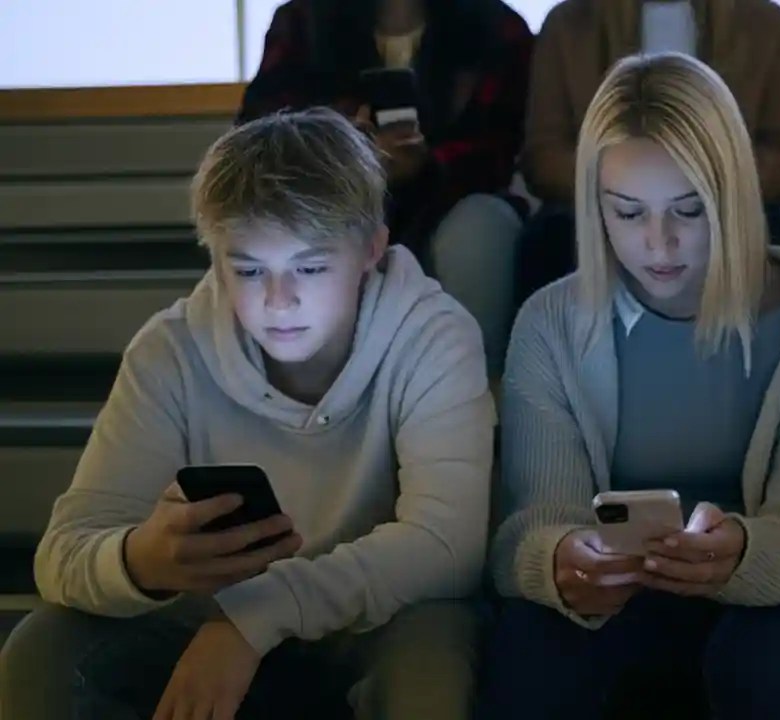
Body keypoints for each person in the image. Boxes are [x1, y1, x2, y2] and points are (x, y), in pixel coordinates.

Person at [0, 109, 494, 720]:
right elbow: (64, 553)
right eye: (248, 269)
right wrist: (140, 562)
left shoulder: (432, 336)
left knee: (434, 645)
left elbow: (447, 546)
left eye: (310, 268)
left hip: (367, 625)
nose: (277, 301)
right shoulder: (171, 352)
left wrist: (257, 615)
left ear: (372, 247)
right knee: (43, 648)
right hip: (198, 624)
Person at [480, 52, 780, 720]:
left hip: (764, 612)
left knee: (779, 649)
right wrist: (562, 565)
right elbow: (531, 523)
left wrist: (743, 554)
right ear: (594, 207)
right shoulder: (550, 325)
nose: (659, 245)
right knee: (530, 644)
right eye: (628, 214)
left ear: (733, 196)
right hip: (615, 610)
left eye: (689, 211)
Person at [238, 0, 533, 378]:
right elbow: (260, 137)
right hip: (332, 201)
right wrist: (346, 151)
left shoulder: (498, 29)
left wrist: (426, 165)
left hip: (454, 201)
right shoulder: (302, 23)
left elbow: (499, 146)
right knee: (284, 232)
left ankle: (471, 394)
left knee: (480, 232)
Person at [514, 0, 780, 307]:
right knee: (546, 242)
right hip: (594, 210)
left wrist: (706, 185)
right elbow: (543, 156)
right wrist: (622, 189)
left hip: (734, 208)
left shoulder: (766, 23)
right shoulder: (569, 23)